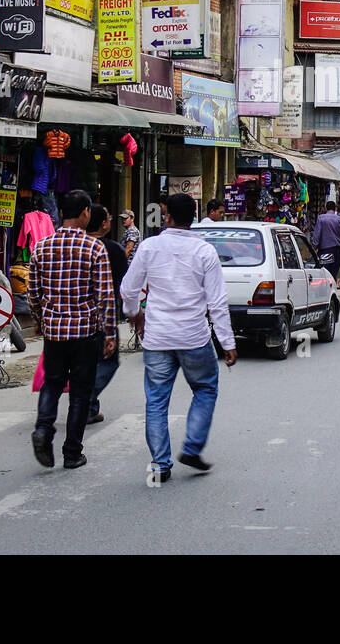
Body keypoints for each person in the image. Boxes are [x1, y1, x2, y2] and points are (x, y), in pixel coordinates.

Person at [120, 193, 236, 482]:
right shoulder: (205, 251)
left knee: (156, 402)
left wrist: (134, 314)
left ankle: (160, 464)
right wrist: (227, 342)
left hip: (157, 337)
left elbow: (128, 289)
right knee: (205, 389)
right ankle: (192, 448)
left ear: (167, 217)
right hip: (193, 337)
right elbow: (217, 303)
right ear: (194, 218)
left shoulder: (149, 247)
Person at [29, 189, 116, 468]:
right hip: (85, 332)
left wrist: (40, 321)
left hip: (54, 332)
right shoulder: (94, 248)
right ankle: (72, 452)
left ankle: (43, 429)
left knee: (52, 383)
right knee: (80, 392)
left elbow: (33, 292)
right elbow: (104, 295)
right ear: (85, 213)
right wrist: (110, 333)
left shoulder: (41, 247)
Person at [86, 205, 129, 424]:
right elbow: (125, 283)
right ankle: (86, 399)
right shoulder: (111, 249)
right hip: (103, 313)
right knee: (108, 361)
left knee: (84, 362)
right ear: (104, 223)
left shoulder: (77, 245)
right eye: (109, 217)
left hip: (74, 316)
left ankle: (89, 407)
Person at [311, 200, 340, 281]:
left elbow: (316, 235)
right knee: (334, 274)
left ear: (326, 208)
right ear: (335, 209)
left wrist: (313, 249)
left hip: (325, 251)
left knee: (325, 273)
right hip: (336, 251)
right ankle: (332, 289)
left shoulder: (321, 218)